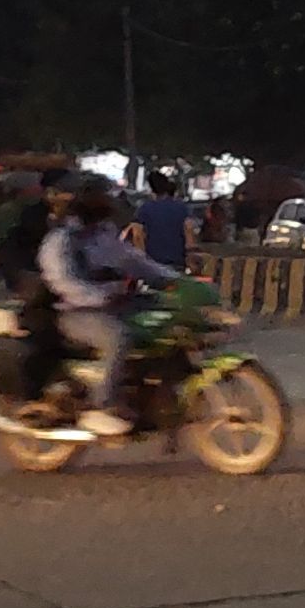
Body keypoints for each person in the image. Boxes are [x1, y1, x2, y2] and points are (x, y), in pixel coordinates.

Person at [40, 183, 184, 434]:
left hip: (115, 304)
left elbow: (133, 261)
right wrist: (103, 295)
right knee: (119, 337)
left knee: (165, 323)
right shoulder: (61, 240)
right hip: (76, 312)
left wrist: (174, 281)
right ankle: (100, 406)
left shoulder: (103, 234)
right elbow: (61, 281)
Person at [134, 171, 195, 269]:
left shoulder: (145, 209)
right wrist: (190, 254)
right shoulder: (181, 207)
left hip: (153, 263)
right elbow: (188, 230)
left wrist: (142, 258)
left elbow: (138, 235)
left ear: (152, 189)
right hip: (177, 260)